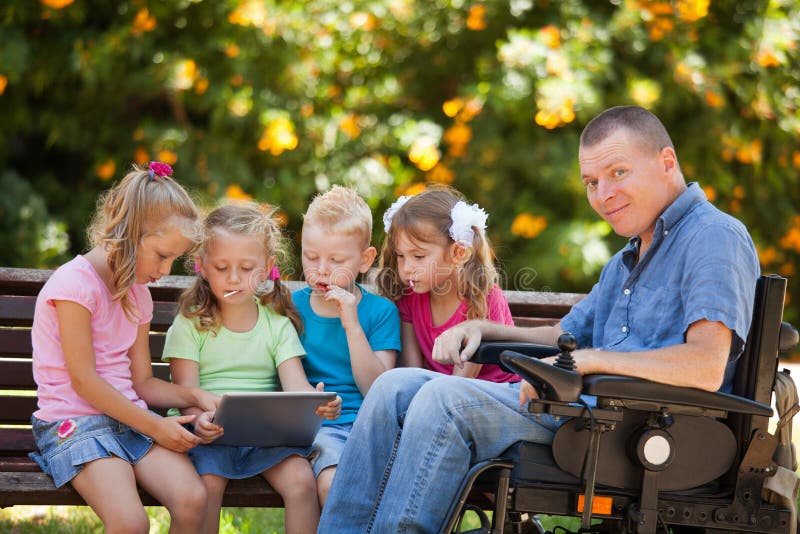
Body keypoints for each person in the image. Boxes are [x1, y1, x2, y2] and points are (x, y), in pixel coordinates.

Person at [318, 105, 761, 533]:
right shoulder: (629, 257)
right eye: (591, 182)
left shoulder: (713, 236)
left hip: (637, 429)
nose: (603, 195)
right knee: (393, 387)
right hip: (578, 409)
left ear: (666, 162)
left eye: (618, 173)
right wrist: (485, 328)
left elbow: (705, 364)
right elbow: (561, 335)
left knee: (443, 400)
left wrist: (589, 362)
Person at [29, 162, 218, 534]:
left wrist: (194, 394)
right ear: (130, 234)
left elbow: (143, 382)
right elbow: (84, 382)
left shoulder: (138, 294)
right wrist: (155, 426)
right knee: (131, 523)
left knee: (193, 498)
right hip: (75, 425)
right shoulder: (74, 286)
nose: (165, 269)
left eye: (173, 259)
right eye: (162, 255)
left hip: (128, 421)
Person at [162, 202, 341, 534]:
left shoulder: (276, 323)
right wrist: (199, 420)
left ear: (266, 268)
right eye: (221, 267)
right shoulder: (190, 324)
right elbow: (187, 393)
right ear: (201, 266)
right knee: (208, 487)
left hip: (266, 438)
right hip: (208, 436)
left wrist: (317, 403)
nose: (233, 278)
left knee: (301, 481)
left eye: (246, 268)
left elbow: (296, 386)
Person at [292, 185, 401, 505]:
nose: (321, 269)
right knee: (332, 484)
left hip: (368, 428)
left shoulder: (380, 313)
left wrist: (352, 324)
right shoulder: (290, 308)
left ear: (365, 259)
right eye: (311, 256)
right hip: (313, 428)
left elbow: (376, 388)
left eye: (336, 259)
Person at [376, 186, 517, 381]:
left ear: (457, 253)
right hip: (437, 395)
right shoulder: (410, 296)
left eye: (418, 256)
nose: (407, 267)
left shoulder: (484, 297)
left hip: (489, 395)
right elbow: (412, 374)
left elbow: (461, 384)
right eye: (400, 255)